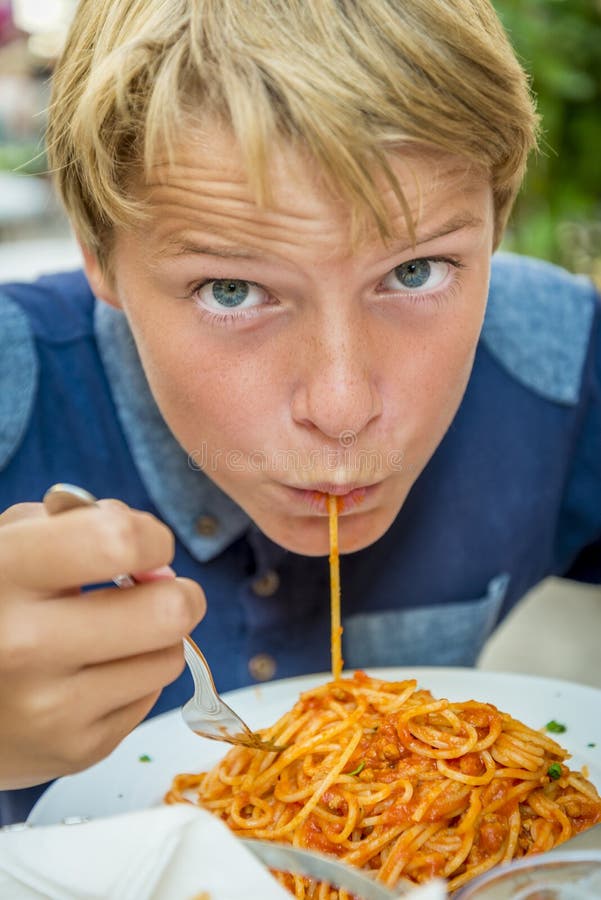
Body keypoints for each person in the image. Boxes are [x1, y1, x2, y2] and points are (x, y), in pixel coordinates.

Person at [0, 0, 599, 826]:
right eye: (232, 291)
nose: (342, 406)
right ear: (98, 253)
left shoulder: (561, 363)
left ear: (496, 225)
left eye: (417, 271)